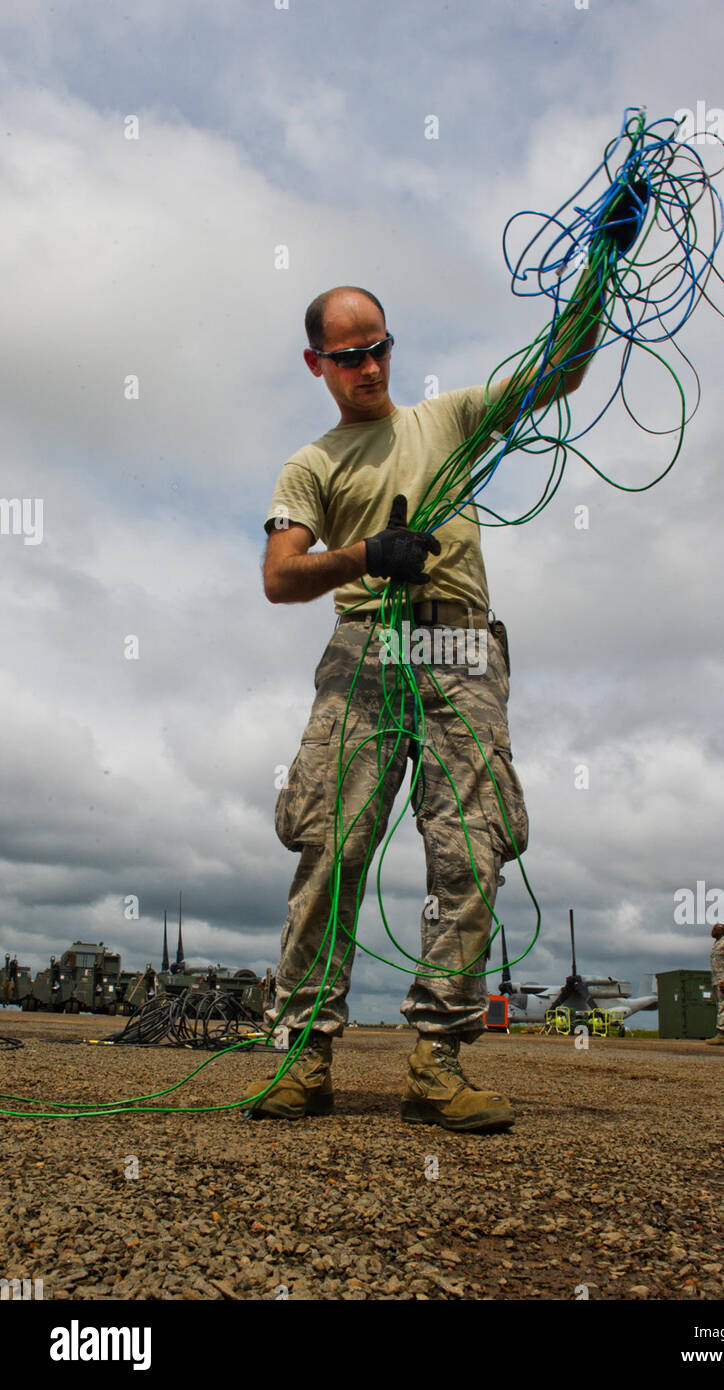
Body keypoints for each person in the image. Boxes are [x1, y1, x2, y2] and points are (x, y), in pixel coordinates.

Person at [243, 263, 615, 1131]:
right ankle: (303, 1057)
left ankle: (437, 1060)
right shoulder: (312, 464)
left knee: (470, 852)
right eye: (347, 357)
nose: (367, 368)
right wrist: (367, 556)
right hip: (367, 643)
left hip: (459, 642)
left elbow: (558, 370)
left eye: (377, 349)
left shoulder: (445, 416)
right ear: (316, 365)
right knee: (333, 846)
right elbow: (279, 575)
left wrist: (603, 267)